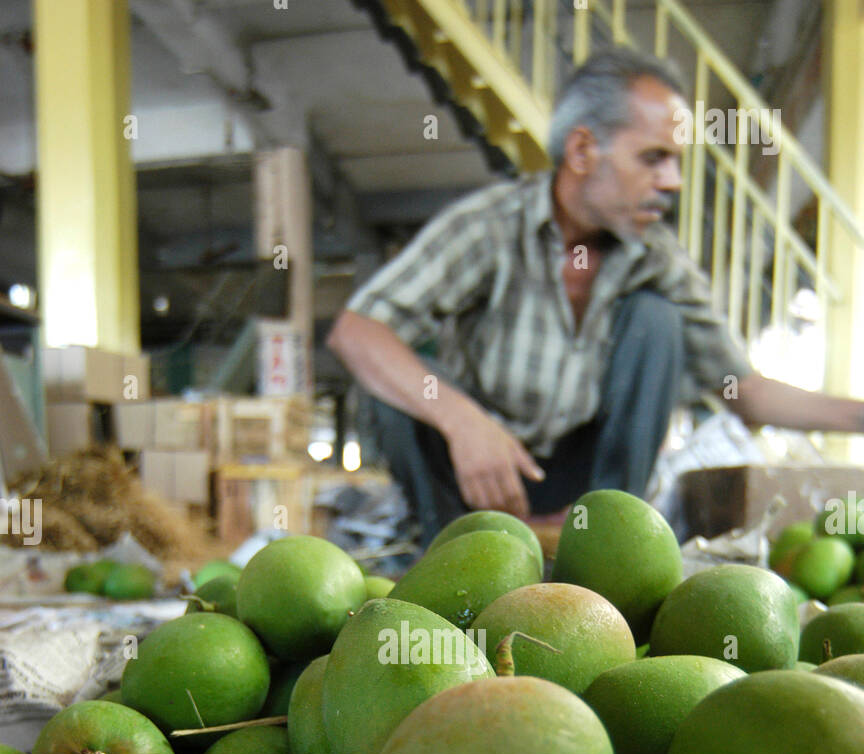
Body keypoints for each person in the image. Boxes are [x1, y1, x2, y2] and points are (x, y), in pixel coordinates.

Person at [327, 47, 864, 547]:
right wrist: (463, 420)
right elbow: (357, 332)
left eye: (676, 161)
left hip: (575, 488)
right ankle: (454, 546)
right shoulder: (491, 226)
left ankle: (605, 539)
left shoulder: (656, 258)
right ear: (583, 150)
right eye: (654, 158)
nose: (673, 181)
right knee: (396, 374)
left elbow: (745, 392)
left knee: (657, 320)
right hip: (480, 479)